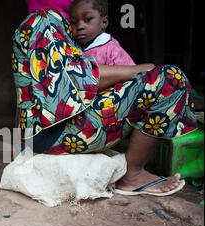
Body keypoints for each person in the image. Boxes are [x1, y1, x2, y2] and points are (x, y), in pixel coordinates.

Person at [12, 0, 198, 196]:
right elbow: (74, 82)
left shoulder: (58, 25)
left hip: (51, 130)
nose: (80, 25)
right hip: (52, 133)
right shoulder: (45, 20)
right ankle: (132, 175)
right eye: (77, 21)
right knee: (170, 79)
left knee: (155, 81)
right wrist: (136, 70)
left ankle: (132, 170)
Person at [69, 0, 135, 66]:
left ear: (104, 22)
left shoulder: (112, 50)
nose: (79, 26)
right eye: (74, 22)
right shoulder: (72, 47)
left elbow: (131, 73)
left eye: (88, 19)